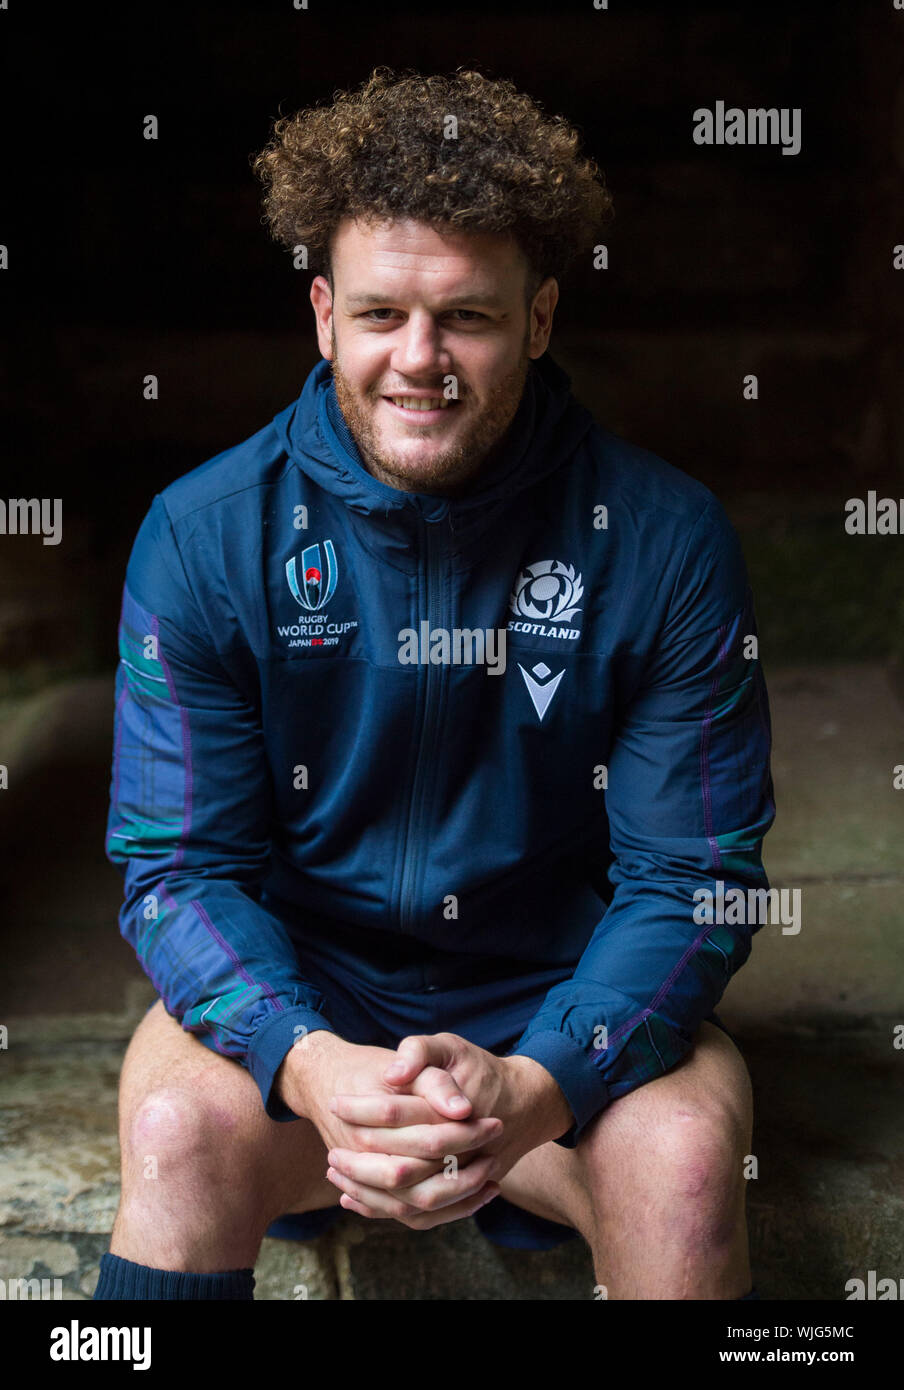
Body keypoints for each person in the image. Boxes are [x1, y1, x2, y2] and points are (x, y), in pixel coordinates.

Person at [94, 67, 774, 1302]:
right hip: (314, 1000)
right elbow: (177, 867)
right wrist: (304, 1059)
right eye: (379, 315)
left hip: (561, 997)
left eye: (465, 315)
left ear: (541, 317)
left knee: (680, 1167)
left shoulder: (666, 538)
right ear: (321, 317)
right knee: (176, 1134)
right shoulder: (202, 534)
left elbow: (698, 877)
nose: (419, 360)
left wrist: (547, 1074)